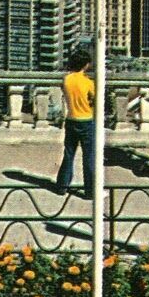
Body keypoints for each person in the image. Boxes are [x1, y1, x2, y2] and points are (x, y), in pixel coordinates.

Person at [54, 48, 97, 198]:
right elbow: (95, 100)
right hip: (87, 121)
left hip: (71, 119)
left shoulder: (66, 80)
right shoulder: (88, 83)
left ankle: (62, 186)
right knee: (89, 156)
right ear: (85, 65)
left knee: (69, 154)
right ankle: (90, 191)